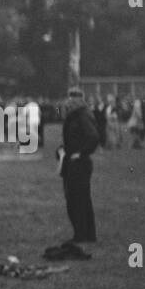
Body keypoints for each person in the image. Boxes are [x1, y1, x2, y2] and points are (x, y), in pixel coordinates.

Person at [60, 86, 99, 244]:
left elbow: (93, 137)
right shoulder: (75, 115)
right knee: (81, 199)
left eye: (74, 96)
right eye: (70, 96)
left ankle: (81, 234)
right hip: (73, 161)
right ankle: (87, 234)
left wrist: (81, 153)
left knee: (76, 199)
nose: (70, 99)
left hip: (79, 163)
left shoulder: (82, 115)